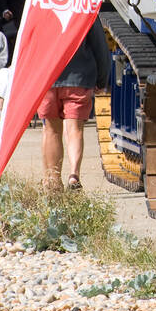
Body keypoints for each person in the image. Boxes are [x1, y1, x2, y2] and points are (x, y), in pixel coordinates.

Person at [40, 26, 110, 191]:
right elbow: (100, 45)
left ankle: (53, 180)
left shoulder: (40, 4)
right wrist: (102, 79)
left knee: (51, 129)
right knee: (75, 130)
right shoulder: (83, 4)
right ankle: (74, 174)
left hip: (47, 77)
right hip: (79, 77)